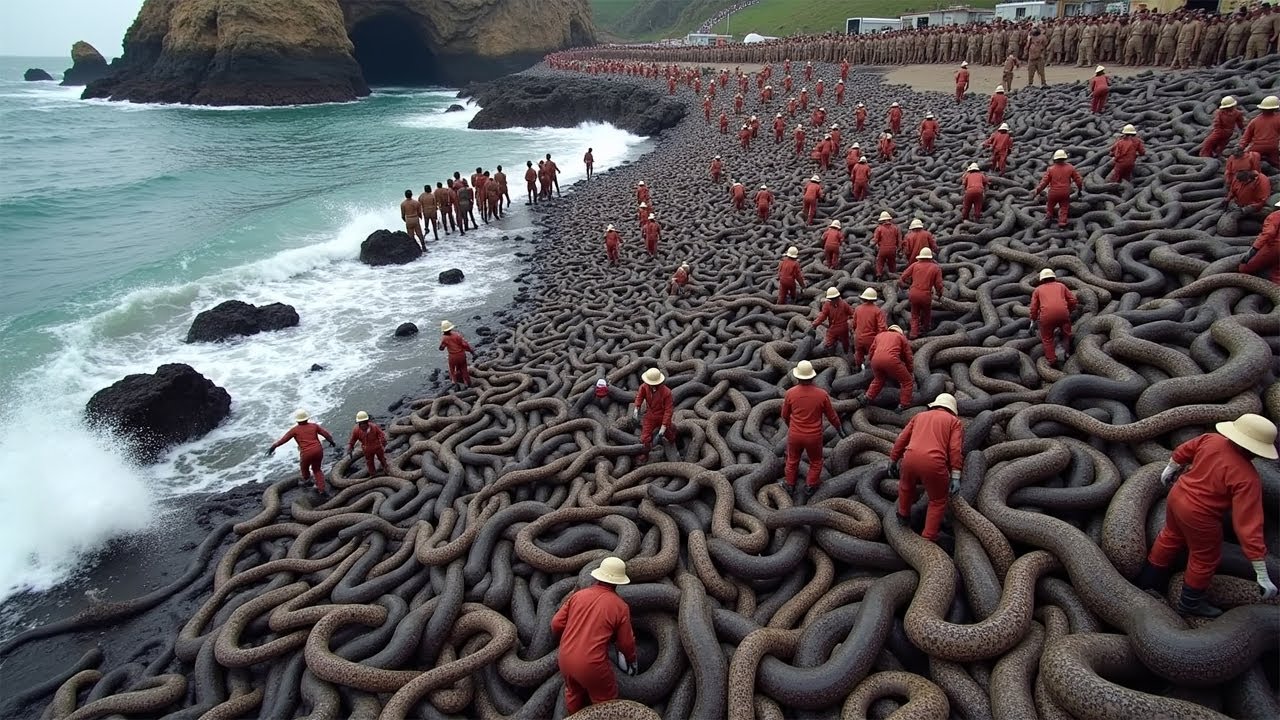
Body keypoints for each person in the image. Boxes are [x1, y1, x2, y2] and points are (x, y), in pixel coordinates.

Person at [1134, 414, 1278, 617]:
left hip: (1177, 496)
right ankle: (1190, 604)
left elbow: (1184, 450)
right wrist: (1260, 570)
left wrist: (1171, 467)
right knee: (1204, 557)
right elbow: (1248, 524)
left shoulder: (1211, 439)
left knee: (1170, 535)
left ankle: (1148, 580)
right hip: (1200, 515)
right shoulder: (1247, 477)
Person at [551, 556, 638, 714]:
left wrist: (573, 634)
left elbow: (556, 624)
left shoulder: (578, 595)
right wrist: (631, 661)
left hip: (564, 658)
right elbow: (625, 643)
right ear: (618, 581)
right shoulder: (620, 606)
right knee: (606, 704)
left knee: (573, 694)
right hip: (592, 665)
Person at [887, 393, 964, 542]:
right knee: (938, 500)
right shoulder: (954, 422)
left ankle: (903, 515)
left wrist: (893, 459)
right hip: (933, 463)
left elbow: (902, 438)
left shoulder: (920, 416)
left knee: (906, 486)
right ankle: (928, 536)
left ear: (934, 405)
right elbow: (955, 449)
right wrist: (955, 474)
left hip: (909, 458)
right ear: (952, 409)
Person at [780, 360, 845, 497]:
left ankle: (789, 484)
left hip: (795, 434)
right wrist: (839, 428)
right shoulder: (822, 395)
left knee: (792, 459)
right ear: (812, 377)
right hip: (814, 436)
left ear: (797, 377)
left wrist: (791, 427)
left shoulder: (790, 393)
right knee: (816, 461)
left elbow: (784, 415)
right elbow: (831, 415)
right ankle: (811, 485)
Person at [268, 410, 338, 495]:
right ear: (307, 418)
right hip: (318, 450)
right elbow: (326, 434)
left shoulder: (294, 430)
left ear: (297, 420)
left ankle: (307, 481)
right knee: (317, 469)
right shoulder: (314, 426)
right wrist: (331, 442)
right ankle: (321, 489)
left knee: (304, 468)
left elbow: (284, 440)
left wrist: (274, 446)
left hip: (306, 453)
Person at [1029, 268, 1078, 367]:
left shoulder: (1038, 290)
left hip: (1046, 317)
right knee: (1066, 334)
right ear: (1054, 277)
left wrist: (1033, 318)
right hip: (1063, 314)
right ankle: (1066, 353)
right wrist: (1068, 310)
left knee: (1047, 338)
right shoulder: (1061, 286)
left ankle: (1052, 360)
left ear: (1042, 279)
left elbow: (1034, 307)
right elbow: (1073, 300)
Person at [863, 325, 913, 410]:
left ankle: (867, 397)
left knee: (879, 380)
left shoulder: (879, 336)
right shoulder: (900, 337)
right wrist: (910, 370)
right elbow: (908, 356)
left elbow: (871, 351)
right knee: (907, 381)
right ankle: (903, 405)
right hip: (891, 360)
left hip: (875, 361)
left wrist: (869, 362)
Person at [899, 248, 944, 339]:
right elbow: (938, 284)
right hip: (925, 295)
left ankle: (913, 333)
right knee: (926, 313)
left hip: (913, 293)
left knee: (915, 314)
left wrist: (905, 284)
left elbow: (903, 276)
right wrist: (940, 294)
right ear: (930, 257)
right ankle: (925, 330)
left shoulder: (915, 265)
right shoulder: (935, 268)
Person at [1034, 150, 1084, 228]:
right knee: (1064, 207)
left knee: (1050, 206)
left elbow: (1044, 182)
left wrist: (1037, 191)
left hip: (1053, 193)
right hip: (1065, 192)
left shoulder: (1051, 169)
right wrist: (1080, 189)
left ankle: (1049, 217)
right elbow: (1078, 180)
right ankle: (1062, 223)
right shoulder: (1070, 167)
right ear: (1064, 158)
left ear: (1055, 159)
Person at [632, 368, 673, 463]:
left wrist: (664, 426)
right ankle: (645, 453)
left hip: (662, 416)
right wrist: (636, 408)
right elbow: (640, 396)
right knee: (645, 438)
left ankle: (673, 442)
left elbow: (668, 410)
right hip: (650, 415)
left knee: (669, 434)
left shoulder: (666, 392)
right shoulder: (644, 387)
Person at [1238, 198, 1280, 283]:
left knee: (1244, 268)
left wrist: (1254, 249)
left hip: (1275, 247)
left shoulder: (1275, 216)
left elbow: (1268, 233)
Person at [852, 288, 888, 370]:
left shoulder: (858, 309)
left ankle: (858, 368)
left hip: (858, 337)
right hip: (870, 339)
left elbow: (854, 324)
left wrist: (855, 332)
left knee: (858, 353)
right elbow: (882, 327)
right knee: (873, 355)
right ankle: (872, 371)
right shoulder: (877, 311)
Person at [1242, 95, 1280, 168]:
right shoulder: (1278, 119)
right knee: (1276, 162)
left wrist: (1241, 147)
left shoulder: (1255, 121)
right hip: (1273, 146)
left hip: (1257, 147)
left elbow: (1246, 137)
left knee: (1247, 159)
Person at [347, 410, 388, 477]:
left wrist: (383, 442)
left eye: (364, 423)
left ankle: (386, 468)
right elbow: (353, 440)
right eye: (361, 423)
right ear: (359, 423)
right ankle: (373, 474)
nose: (363, 425)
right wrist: (350, 447)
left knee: (382, 458)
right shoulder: (356, 430)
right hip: (367, 449)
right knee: (369, 462)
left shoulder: (374, 427)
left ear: (367, 422)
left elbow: (381, 434)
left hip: (377, 447)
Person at [813, 287, 853, 355]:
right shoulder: (843, 303)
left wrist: (814, 324)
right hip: (844, 327)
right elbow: (851, 312)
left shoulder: (827, 305)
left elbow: (822, 317)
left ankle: (830, 353)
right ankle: (846, 352)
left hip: (834, 328)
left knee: (829, 342)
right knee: (845, 341)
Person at [439, 320, 476, 388]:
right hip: (461, 355)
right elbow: (464, 345)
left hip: (453, 356)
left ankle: (456, 385)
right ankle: (468, 384)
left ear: (443, 330)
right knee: (464, 369)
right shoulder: (457, 335)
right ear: (451, 328)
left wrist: (441, 346)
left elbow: (441, 348)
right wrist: (471, 351)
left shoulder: (444, 338)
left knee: (452, 370)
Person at [872, 210, 901, 280]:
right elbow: (899, 240)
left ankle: (879, 275)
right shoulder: (895, 228)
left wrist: (872, 244)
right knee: (892, 262)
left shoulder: (879, 229)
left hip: (883, 249)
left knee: (880, 261)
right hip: (893, 249)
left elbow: (875, 240)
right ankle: (893, 274)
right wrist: (899, 248)